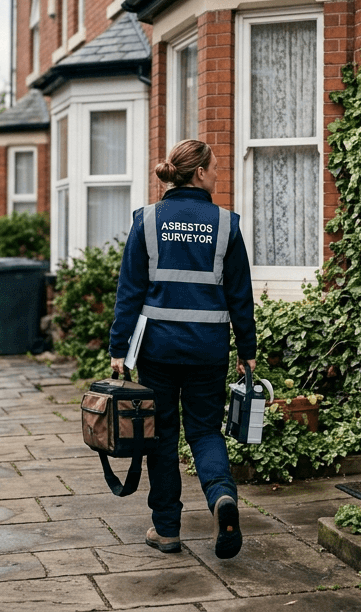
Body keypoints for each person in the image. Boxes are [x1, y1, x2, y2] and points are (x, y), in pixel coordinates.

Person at [108, 139, 256, 560]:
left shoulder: (148, 220)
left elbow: (129, 292)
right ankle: (222, 498)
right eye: (215, 167)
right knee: (205, 431)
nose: (219, 173)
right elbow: (240, 296)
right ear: (200, 173)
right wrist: (248, 350)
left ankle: (167, 529)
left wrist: (119, 350)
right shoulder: (226, 223)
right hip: (208, 351)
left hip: (158, 351)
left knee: (163, 437)